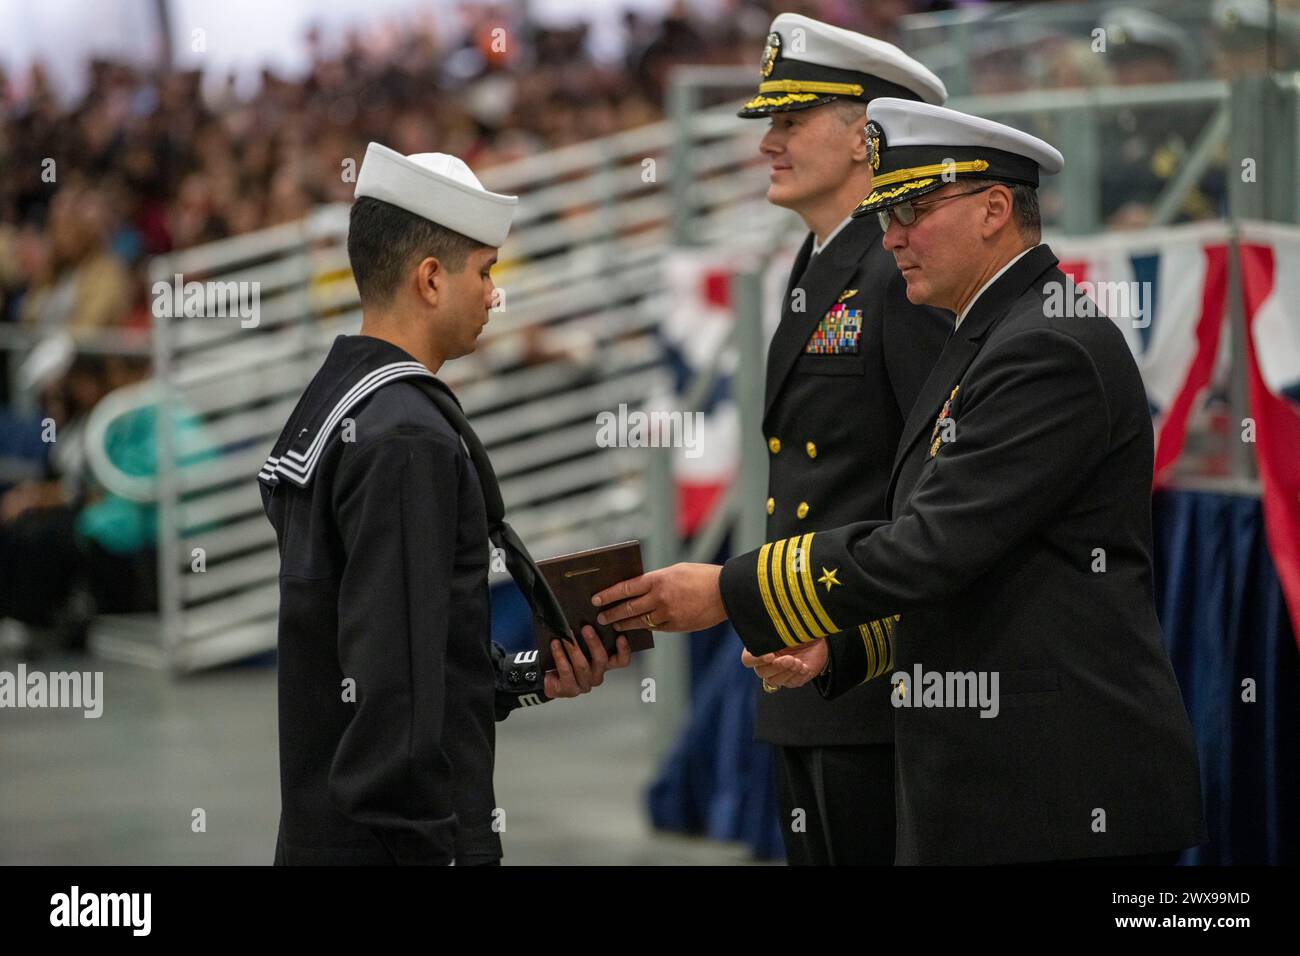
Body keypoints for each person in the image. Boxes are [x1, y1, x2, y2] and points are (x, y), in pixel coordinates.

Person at [591, 100, 1207, 865]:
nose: (892, 237)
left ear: (993, 210)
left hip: (1056, 786)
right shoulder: (990, 332)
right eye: (886, 212)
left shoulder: (1046, 346)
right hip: (1001, 775)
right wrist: (841, 648)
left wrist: (730, 590)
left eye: (913, 209)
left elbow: (931, 547)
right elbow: (975, 564)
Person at [258, 143, 630, 866]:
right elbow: (395, 694)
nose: (495, 293)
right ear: (430, 279)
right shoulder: (406, 437)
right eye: (484, 272)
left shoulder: (346, 395)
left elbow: (397, 646)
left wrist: (525, 676)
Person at [729, 13, 951, 865]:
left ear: (866, 135)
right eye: (770, 123)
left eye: (791, 121)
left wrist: (855, 646)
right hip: (810, 663)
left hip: (871, 676)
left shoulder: (900, 273)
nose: (768, 144)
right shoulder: (822, 258)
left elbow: (931, 492)